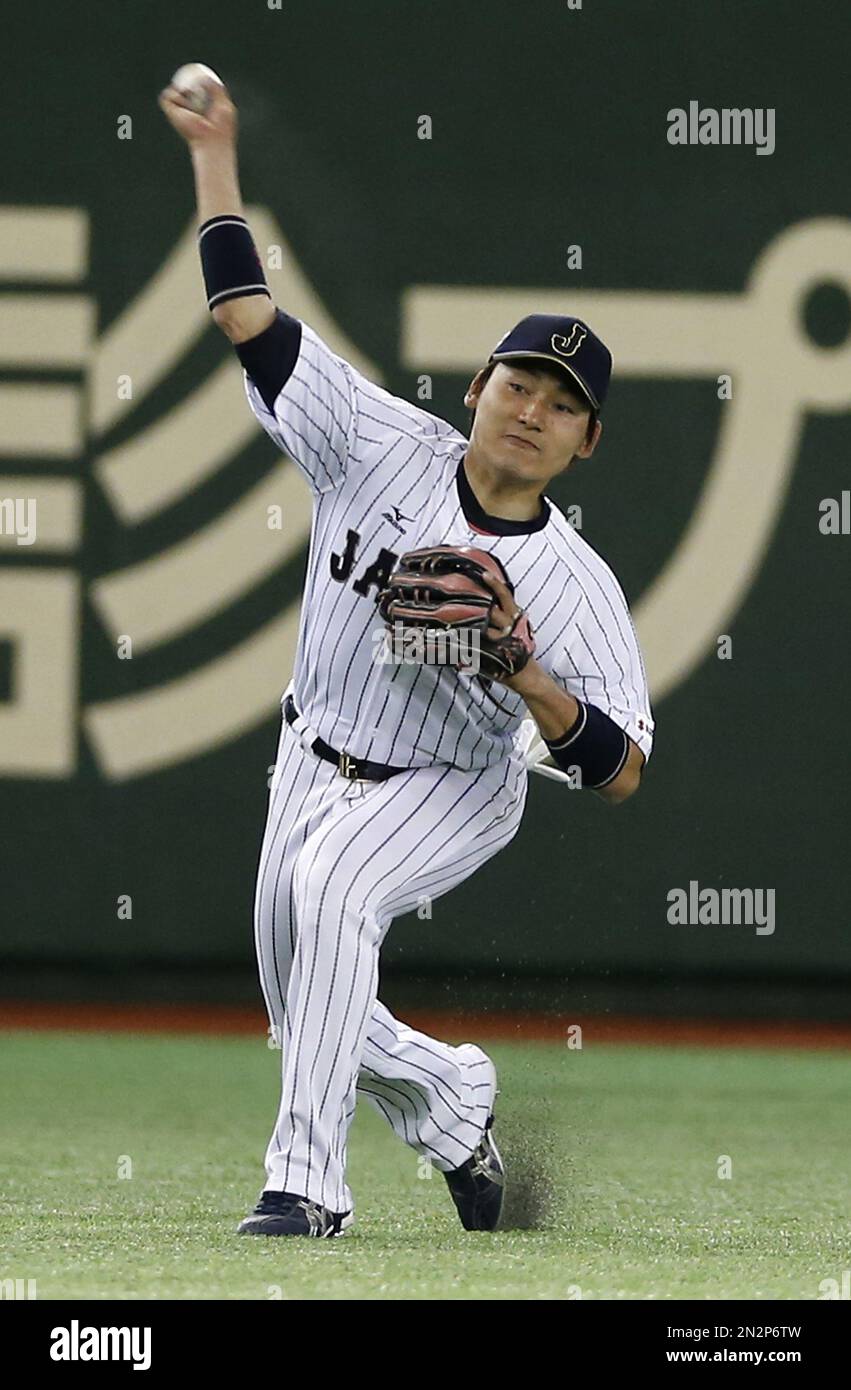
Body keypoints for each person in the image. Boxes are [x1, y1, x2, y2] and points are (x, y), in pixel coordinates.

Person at [159, 73, 654, 1238]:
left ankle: (305, 1188)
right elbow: (244, 313)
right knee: (310, 1000)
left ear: (585, 443)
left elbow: (624, 765)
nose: (531, 408)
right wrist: (216, 153)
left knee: (331, 897)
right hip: (306, 753)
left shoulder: (574, 588)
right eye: (519, 382)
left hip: (448, 787)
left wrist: (527, 672)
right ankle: (450, 1098)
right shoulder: (376, 439)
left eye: (561, 403)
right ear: (476, 387)